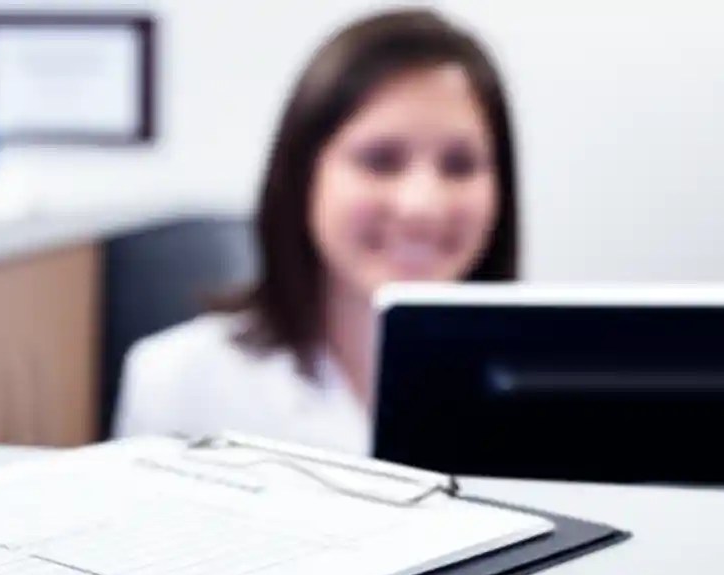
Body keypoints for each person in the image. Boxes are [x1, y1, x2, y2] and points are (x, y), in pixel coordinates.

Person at [113, 8, 519, 454]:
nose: (422, 204)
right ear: (303, 175)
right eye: (381, 160)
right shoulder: (177, 381)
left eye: (460, 165)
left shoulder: (542, 380)